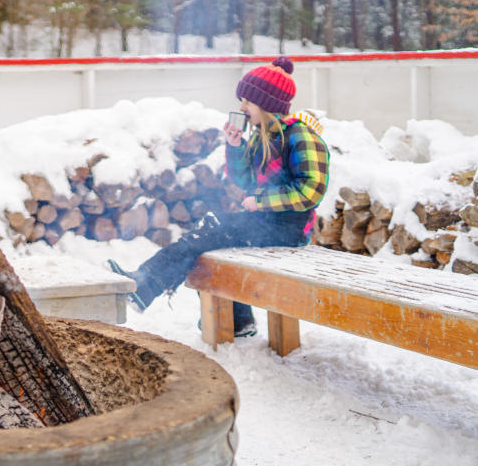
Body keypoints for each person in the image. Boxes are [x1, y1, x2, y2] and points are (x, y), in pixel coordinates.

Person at [107, 56, 329, 338]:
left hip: (289, 229)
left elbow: (312, 190)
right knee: (210, 232)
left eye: (248, 101)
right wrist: (235, 146)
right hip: (264, 222)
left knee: (211, 230)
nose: (242, 107)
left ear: (268, 104)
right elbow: (244, 181)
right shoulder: (264, 137)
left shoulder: (301, 137)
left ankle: (144, 283)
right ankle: (239, 321)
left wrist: (262, 202)